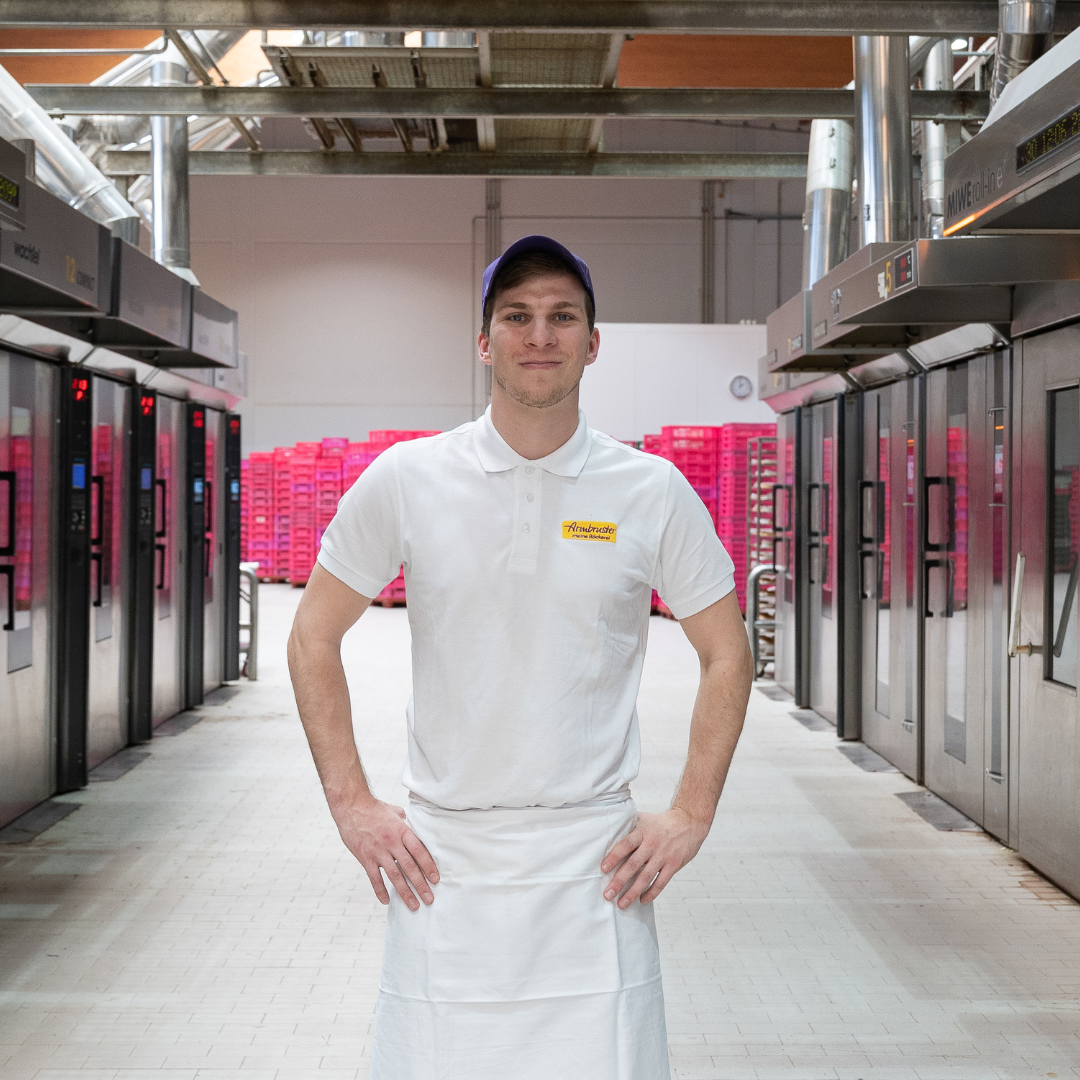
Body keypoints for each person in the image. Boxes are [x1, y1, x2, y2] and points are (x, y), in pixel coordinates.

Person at [288, 235, 753, 1079]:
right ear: (483, 339)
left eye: (561, 317)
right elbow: (312, 634)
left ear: (592, 341)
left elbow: (728, 652)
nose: (540, 335)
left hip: (595, 869)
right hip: (444, 869)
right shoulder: (410, 477)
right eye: (517, 317)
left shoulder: (649, 491)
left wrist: (689, 813)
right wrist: (352, 803)